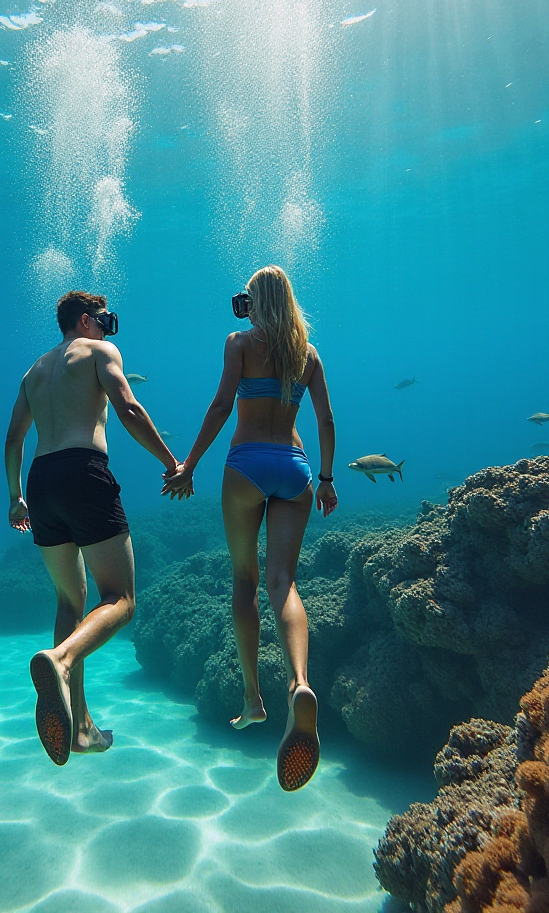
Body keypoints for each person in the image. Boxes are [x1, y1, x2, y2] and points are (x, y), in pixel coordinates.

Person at [163, 265, 337, 791]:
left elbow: (220, 406)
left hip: (245, 466)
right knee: (283, 583)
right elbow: (326, 420)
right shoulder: (308, 355)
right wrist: (327, 478)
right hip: (295, 465)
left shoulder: (238, 342)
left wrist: (188, 465)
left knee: (244, 581)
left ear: (254, 303)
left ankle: (252, 698)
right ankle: (300, 684)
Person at [4, 289, 180, 766]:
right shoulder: (101, 351)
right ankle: (59, 662)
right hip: (83, 471)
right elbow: (128, 409)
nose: (108, 328)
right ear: (84, 321)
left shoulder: (33, 372)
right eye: (105, 319)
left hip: (40, 481)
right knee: (120, 599)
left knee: (68, 600)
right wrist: (172, 463)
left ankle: (79, 724)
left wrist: (16, 496)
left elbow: (13, 438)